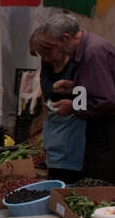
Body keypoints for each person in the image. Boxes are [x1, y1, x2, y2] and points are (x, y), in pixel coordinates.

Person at [40, 13, 115, 185]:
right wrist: (75, 86)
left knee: (103, 182)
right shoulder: (89, 49)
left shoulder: (93, 52)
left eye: (55, 45)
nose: (57, 51)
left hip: (109, 127)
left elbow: (106, 100)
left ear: (66, 38)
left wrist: (73, 106)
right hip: (101, 125)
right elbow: (99, 88)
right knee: (95, 179)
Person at [31, 25, 86, 185]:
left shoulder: (78, 63)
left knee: (69, 179)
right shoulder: (47, 62)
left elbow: (91, 98)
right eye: (42, 55)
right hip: (54, 128)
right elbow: (45, 90)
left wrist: (73, 103)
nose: (46, 58)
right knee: (54, 178)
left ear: (58, 46)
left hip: (75, 131)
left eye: (47, 53)